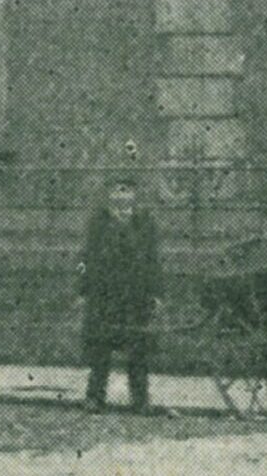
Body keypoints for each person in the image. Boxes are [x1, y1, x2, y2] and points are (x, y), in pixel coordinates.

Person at [78, 173, 160, 411]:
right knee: (100, 350)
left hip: (136, 294)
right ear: (109, 194)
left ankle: (140, 400)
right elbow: (86, 258)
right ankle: (94, 397)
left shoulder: (145, 222)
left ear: (134, 195)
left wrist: (157, 293)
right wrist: (83, 290)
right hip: (105, 294)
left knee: (138, 350)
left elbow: (154, 259)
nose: (121, 195)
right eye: (116, 190)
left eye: (126, 190)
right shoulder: (99, 222)